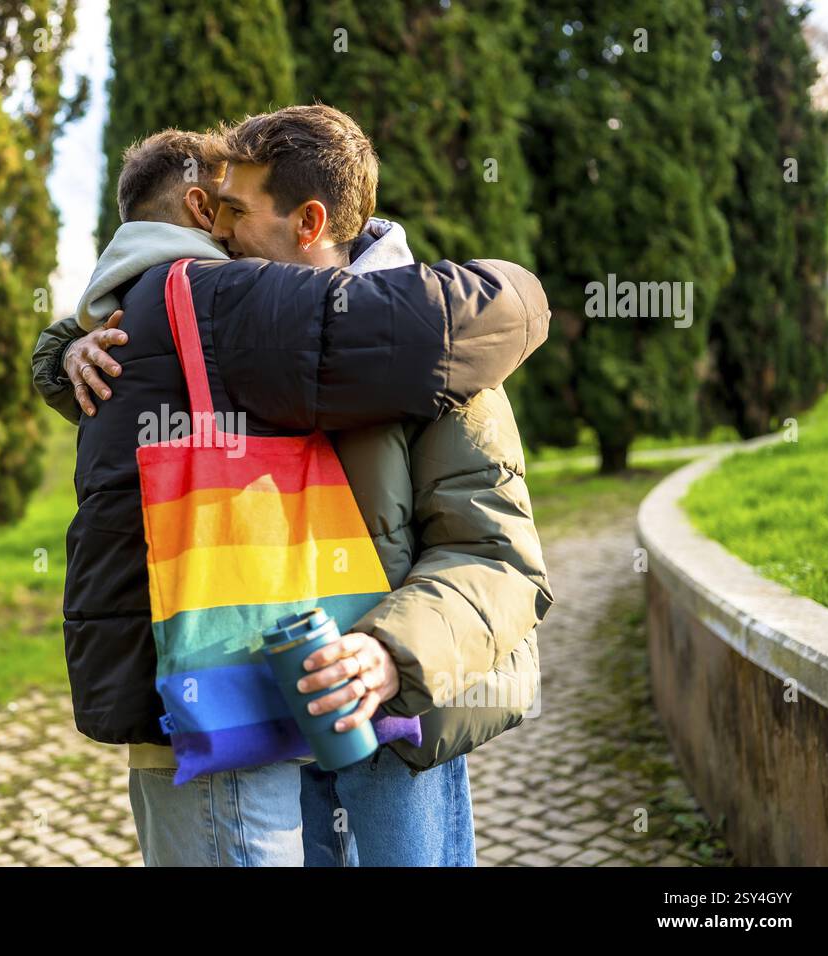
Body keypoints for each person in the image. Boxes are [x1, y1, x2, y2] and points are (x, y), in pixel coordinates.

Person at [32, 107, 552, 866]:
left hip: (397, 728)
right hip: (273, 710)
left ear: (308, 222)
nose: (221, 237)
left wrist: (386, 655)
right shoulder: (252, 334)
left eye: (236, 214)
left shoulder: (445, 370)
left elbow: (500, 561)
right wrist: (67, 348)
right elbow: (152, 367)